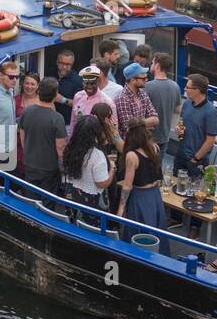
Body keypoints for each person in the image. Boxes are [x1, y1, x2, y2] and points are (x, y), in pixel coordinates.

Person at [115, 120, 168, 251]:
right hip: (155, 195)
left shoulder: (132, 156)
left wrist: (120, 208)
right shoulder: (155, 147)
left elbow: (127, 185)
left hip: (140, 197)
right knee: (156, 229)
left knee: (139, 232)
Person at [17, 78, 68, 195]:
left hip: (29, 164)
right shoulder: (57, 118)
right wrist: (64, 167)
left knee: (30, 196)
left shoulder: (26, 112)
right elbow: (60, 149)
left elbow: (23, 137)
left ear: (39, 91)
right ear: (55, 95)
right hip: (49, 168)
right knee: (47, 200)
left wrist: (29, 154)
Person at [62, 114, 113, 215]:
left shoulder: (70, 148)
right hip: (90, 202)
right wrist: (113, 169)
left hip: (72, 195)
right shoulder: (97, 155)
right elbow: (102, 183)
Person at [176, 73, 217, 180]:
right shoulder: (186, 104)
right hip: (180, 156)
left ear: (197, 90)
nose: (185, 89)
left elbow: (210, 141)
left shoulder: (211, 112)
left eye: (188, 87)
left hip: (195, 162)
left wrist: (195, 158)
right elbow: (181, 123)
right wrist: (179, 131)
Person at [144, 53, 183, 172]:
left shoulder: (148, 86)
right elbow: (177, 109)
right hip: (165, 136)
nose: (151, 64)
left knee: (144, 169)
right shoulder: (175, 86)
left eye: (152, 62)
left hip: (148, 137)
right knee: (156, 169)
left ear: (157, 65)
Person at [113, 62, 158, 134]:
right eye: (143, 78)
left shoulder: (143, 94)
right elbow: (129, 128)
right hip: (130, 143)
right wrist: (147, 124)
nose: (146, 80)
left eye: (146, 77)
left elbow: (155, 119)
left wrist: (138, 122)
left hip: (143, 140)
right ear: (133, 80)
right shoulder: (122, 98)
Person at [69, 64, 109, 136]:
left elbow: (112, 129)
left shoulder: (106, 101)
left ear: (98, 83)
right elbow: (73, 122)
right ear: (82, 83)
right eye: (86, 83)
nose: (89, 86)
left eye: (92, 83)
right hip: (78, 141)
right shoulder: (78, 96)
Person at [47, 47, 80, 124]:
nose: (64, 67)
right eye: (62, 63)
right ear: (57, 62)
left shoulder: (77, 81)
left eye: (68, 64)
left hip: (66, 124)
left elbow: (80, 105)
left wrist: (63, 100)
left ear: (72, 64)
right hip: (48, 121)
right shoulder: (49, 72)